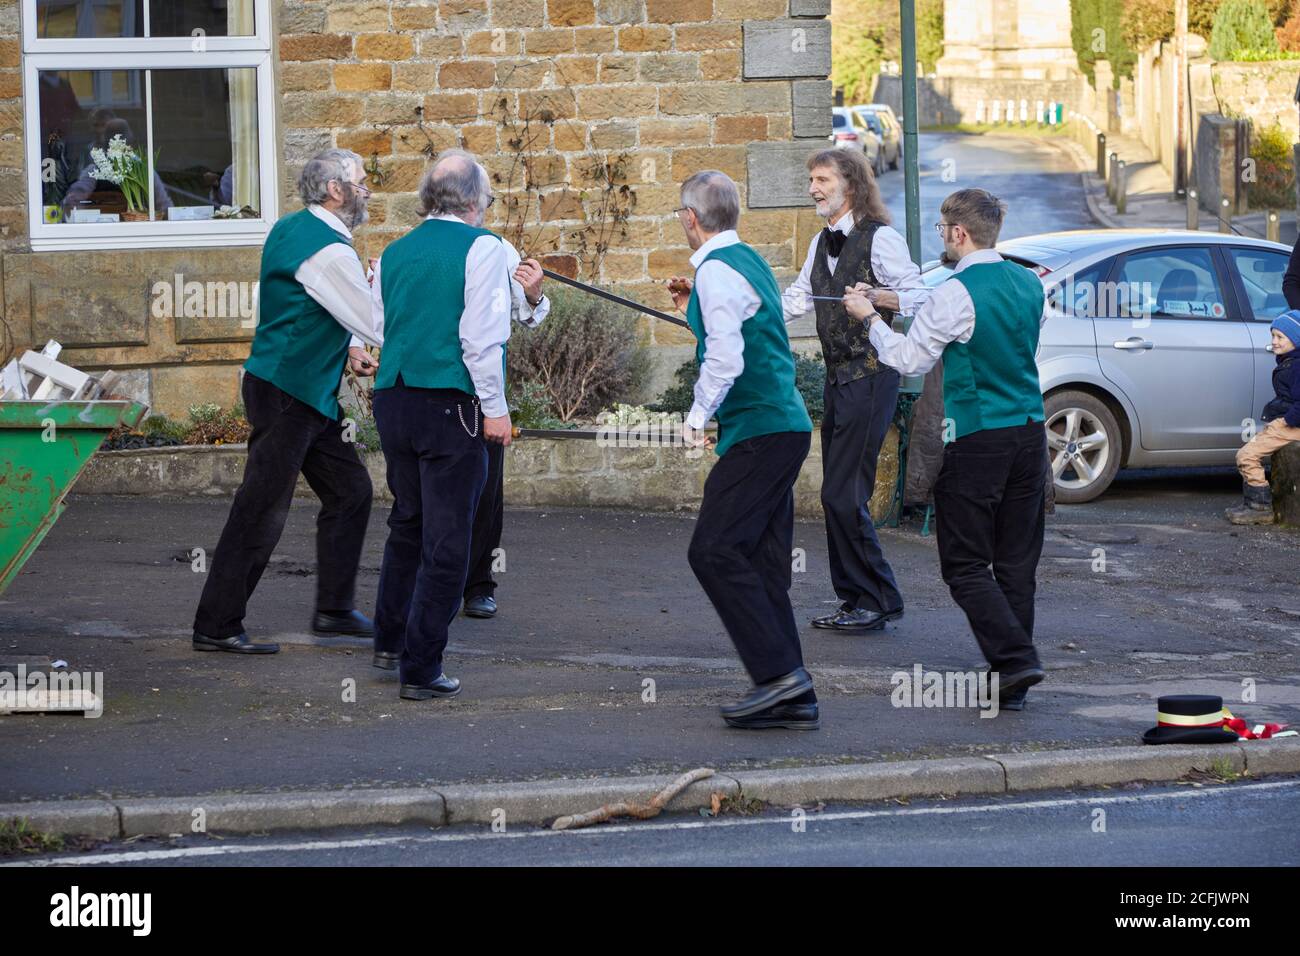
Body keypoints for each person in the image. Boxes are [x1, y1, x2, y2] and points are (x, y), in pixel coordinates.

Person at [843, 188, 1047, 711]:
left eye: (942, 230)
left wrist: (869, 318)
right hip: (1030, 434)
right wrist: (890, 300)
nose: (943, 238)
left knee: (964, 564)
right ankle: (1014, 675)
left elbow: (910, 360)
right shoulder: (1030, 284)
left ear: (959, 233)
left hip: (978, 438)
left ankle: (1016, 660)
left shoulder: (957, 292)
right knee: (1016, 563)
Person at [192, 148, 380, 654]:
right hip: (287, 392)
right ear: (336, 190)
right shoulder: (331, 252)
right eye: (361, 182)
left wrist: (352, 350)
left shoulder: (292, 228)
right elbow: (374, 319)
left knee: (351, 491)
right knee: (262, 507)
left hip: (303, 390)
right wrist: (381, 313)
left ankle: (335, 610)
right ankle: (217, 625)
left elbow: (314, 306)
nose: (368, 190)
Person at [668, 171, 818, 730]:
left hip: (762, 431)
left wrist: (695, 418)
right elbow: (745, 331)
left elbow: (726, 358)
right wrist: (694, 307)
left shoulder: (713, 270)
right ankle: (792, 695)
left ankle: (781, 676)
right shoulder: (746, 260)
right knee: (761, 561)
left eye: (681, 217)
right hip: (783, 427)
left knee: (713, 550)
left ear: (690, 219)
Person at [367, 149, 513, 701]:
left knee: (407, 524)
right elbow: (481, 338)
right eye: (489, 198)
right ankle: (421, 666)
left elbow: (378, 326)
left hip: (394, 398)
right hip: (450, 402)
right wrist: (495, 409)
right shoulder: (483, 248)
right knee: (449, 541)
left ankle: (389, 639)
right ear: (474, 201)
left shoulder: (394, 251)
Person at [783, 149, 927, 633]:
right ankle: (857, 598)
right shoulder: (819, 243)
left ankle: (879, 597)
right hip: (837, 380)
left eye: (821, 178)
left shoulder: (880, 239)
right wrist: (738, 311)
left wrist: (877, 297)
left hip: (872, 376)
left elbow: (920, 296)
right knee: (834, 495)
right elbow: (798, 299)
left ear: (850, 185)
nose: (813, 188)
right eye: (811, 179)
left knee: (846, 495)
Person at [461, 250, 548, 620]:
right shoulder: (406, 251)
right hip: (422, 389)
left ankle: (478, 584)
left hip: (479, 392)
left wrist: (532, 295)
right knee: (421, 498)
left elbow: (523, 313)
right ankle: (428, 584)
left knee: (485, 491)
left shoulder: (496, 249)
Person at [1226, 309, 1300, 525]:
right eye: (1273, 336)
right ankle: (1253, 503)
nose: (1274, 342)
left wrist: (1286, 421)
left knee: (1246, 456)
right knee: (1247, 453)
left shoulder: (1297, 366)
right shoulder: (1290, 361)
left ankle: (1260, 507)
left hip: (1291, 425)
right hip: (1286, 422)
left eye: (1280, 337)